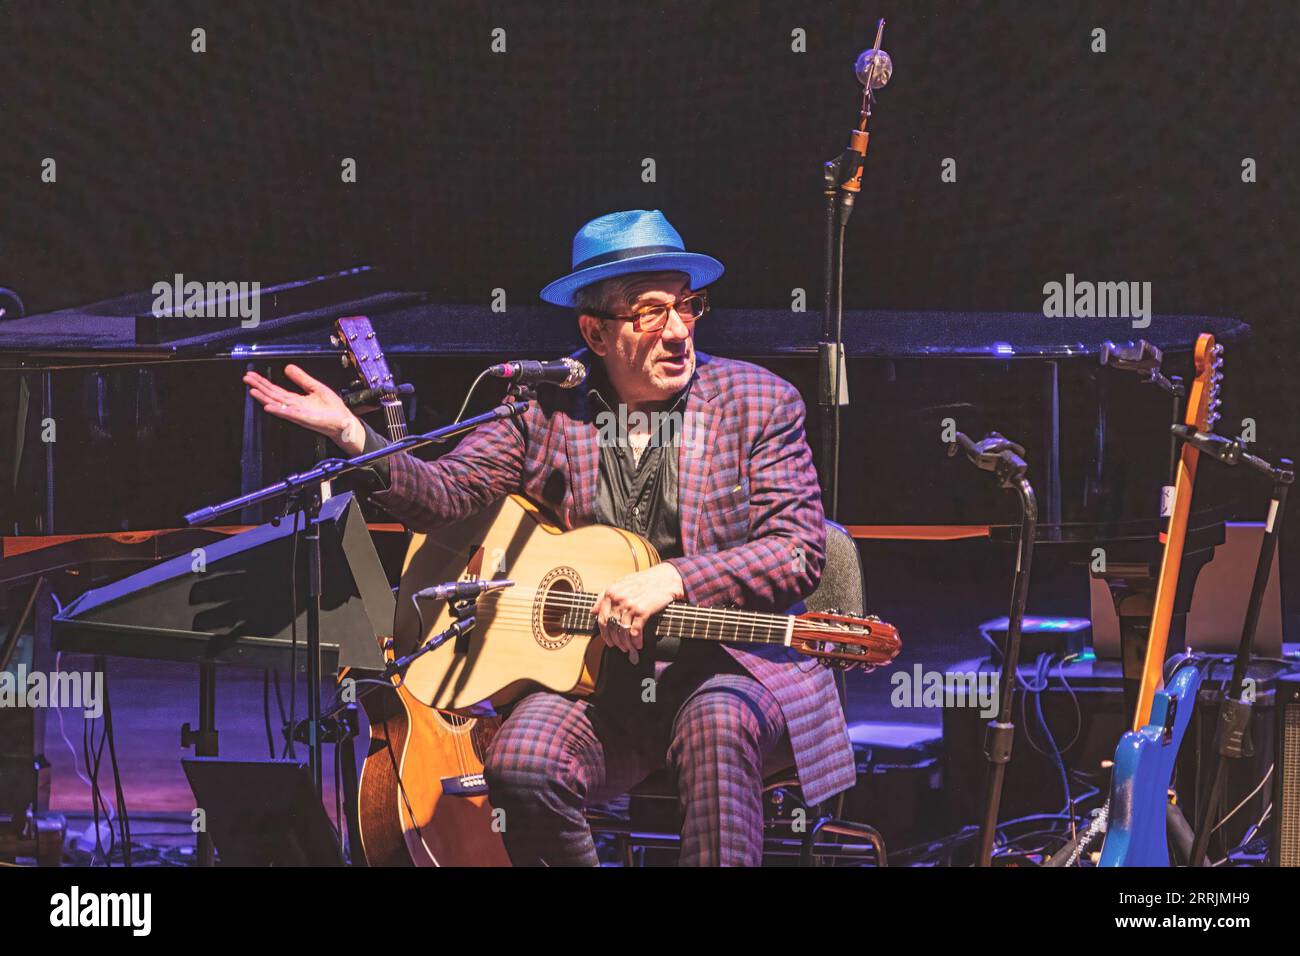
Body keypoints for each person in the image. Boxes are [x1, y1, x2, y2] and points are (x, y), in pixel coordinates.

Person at [243, 209, 856, 865]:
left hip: (730, 666)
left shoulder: (759, 403)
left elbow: (798, 550)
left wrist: (675, 578)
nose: (679, 331)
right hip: (596, 681)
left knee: (717, 728)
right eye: (650, 313)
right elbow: (447, 496)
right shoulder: (544, 409)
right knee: (522, 762)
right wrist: (356, 440)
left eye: (688, 306)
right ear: (593, 331)